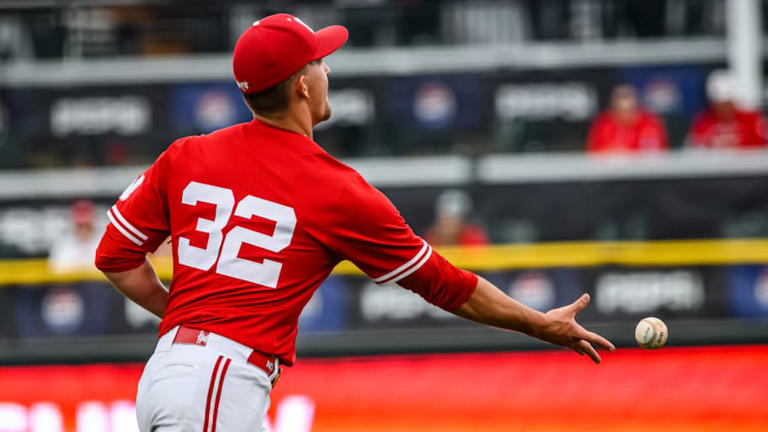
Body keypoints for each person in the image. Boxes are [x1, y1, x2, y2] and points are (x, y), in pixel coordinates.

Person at [94, 14, 614, 432]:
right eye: (320, 62)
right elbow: (445, 284)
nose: (328, 71)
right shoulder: (335, 189)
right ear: (301, 86)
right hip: (218, 383)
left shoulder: (188, 154)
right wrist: (537, 323)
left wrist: (186, 318)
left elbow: (113, 256)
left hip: (169, 371)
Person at [688, 70, 767, 149]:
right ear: (712, 104)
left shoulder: (752, 120)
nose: (724, 109)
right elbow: (697, 151)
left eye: (727, 104)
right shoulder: (703, 123)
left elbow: (762, 149)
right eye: (720, 105)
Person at [586, 84, 668, 153]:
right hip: (610, 170)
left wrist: (626, 153)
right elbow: (595, 152)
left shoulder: (650, 122)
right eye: (620, 110)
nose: (624, 114)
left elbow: (653, 155)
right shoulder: (603, 122)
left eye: (628, 110)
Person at [49, 199, 101, 273]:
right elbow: (55, 272)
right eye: (80, 225)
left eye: (86, 225)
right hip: (69, 283)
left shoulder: (104, 242)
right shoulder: (62, 244)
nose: (84, 229)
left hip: (99, 284)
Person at [425, 189, 489, 246]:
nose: (447, 225)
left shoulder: (473, 237)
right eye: (444, 219)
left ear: (461, 221)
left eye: (452, 220)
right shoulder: (431, 238)